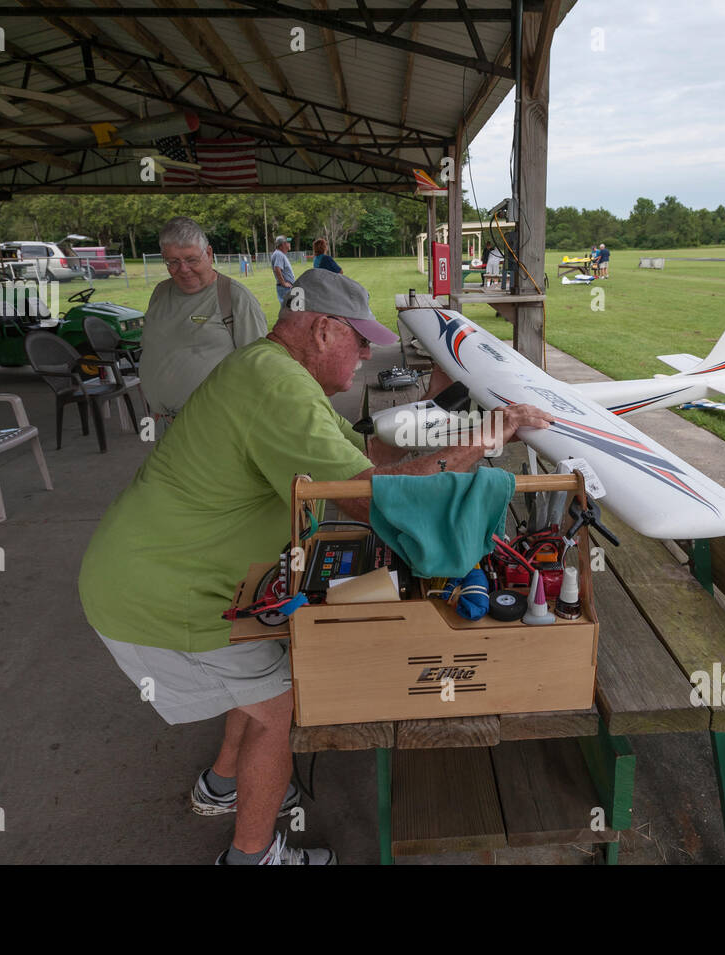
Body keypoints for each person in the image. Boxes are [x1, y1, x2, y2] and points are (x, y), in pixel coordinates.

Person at [78, 268, 552, 865]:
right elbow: (371, 494)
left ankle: (222, 785)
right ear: (325, 330)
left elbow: (368, 454)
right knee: (280, 710)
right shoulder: (277, 388)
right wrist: (485, 440)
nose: (366, 355)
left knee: (260, 672)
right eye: (359, 342)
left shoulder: (268, 369)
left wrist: (454, 422)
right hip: (167, 591)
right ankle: (251, 856)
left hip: (153, 572)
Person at [140, 217, 267, 420]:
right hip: (165, 421)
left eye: (191, 260)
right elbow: (155, 350)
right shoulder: (160, 292)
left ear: (208, 253)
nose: (183, 269)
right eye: (172, 261)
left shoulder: (235, 297)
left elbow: (259, 369)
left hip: (214, 424)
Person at [270, 235, 295, 305]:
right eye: (288, 242)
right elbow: (277, 268)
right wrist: (283, 283)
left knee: (288, 309)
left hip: (285, 288)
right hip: (285, 288)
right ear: (283, 244)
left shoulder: (279, 254)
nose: (289, 244)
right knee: (288, 309)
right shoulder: (279, 254)